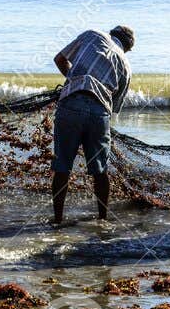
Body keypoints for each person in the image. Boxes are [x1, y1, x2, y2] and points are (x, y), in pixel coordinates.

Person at [51, 25, 134, 225]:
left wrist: (74, 81)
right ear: (128, 48)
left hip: (71, 103)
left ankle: (58, 219)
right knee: (100, 170)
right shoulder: (126, 66)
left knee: (62, 166)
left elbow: (59, 59)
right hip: (99, 113)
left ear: (112, 32)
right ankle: (103, 219)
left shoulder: (92, 35)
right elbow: (113, 107)